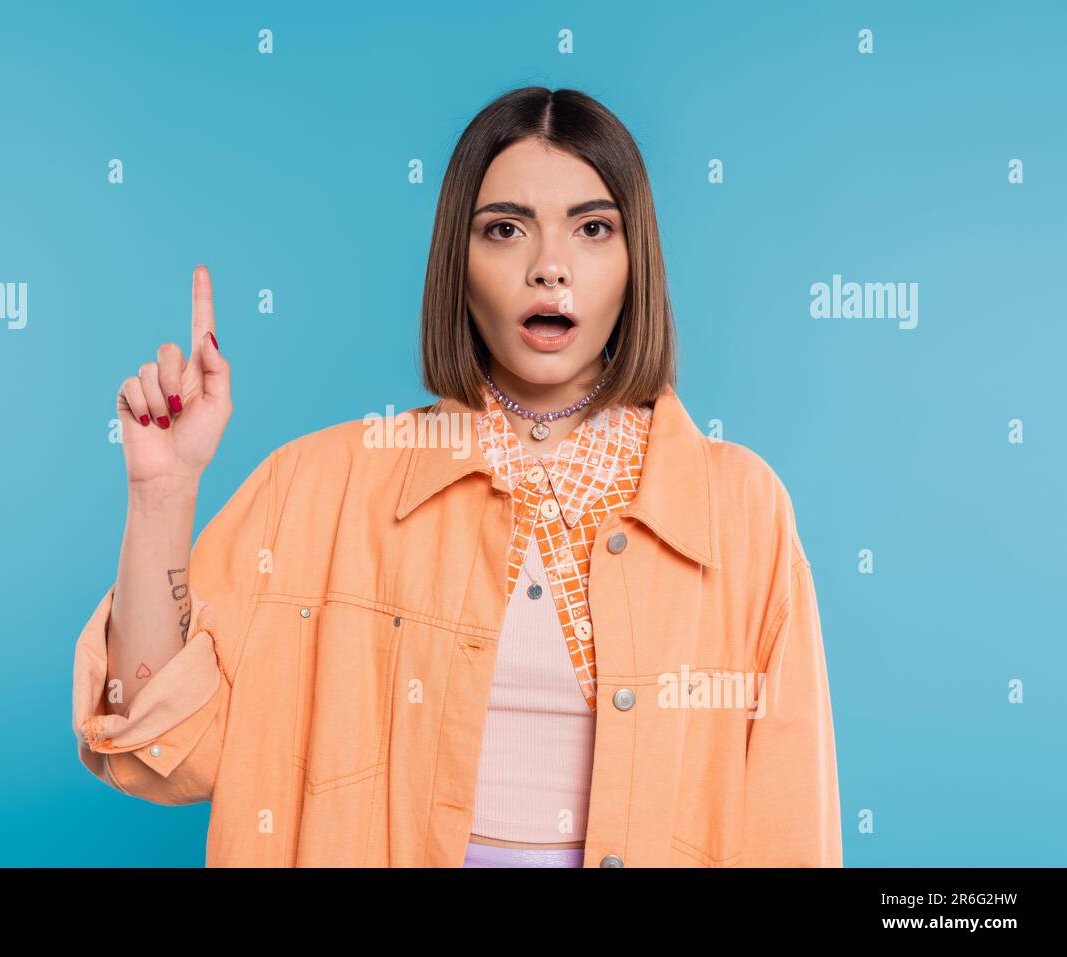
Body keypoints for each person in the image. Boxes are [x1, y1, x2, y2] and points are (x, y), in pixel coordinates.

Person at [72, 86, 842, 868]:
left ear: (635, 258)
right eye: (505, 229)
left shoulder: (739, 509)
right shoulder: (322, 486)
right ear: (458, 263)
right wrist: (161, 494)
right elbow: (157, 745)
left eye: (593, 227)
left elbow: (792, 826)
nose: (550, 267)